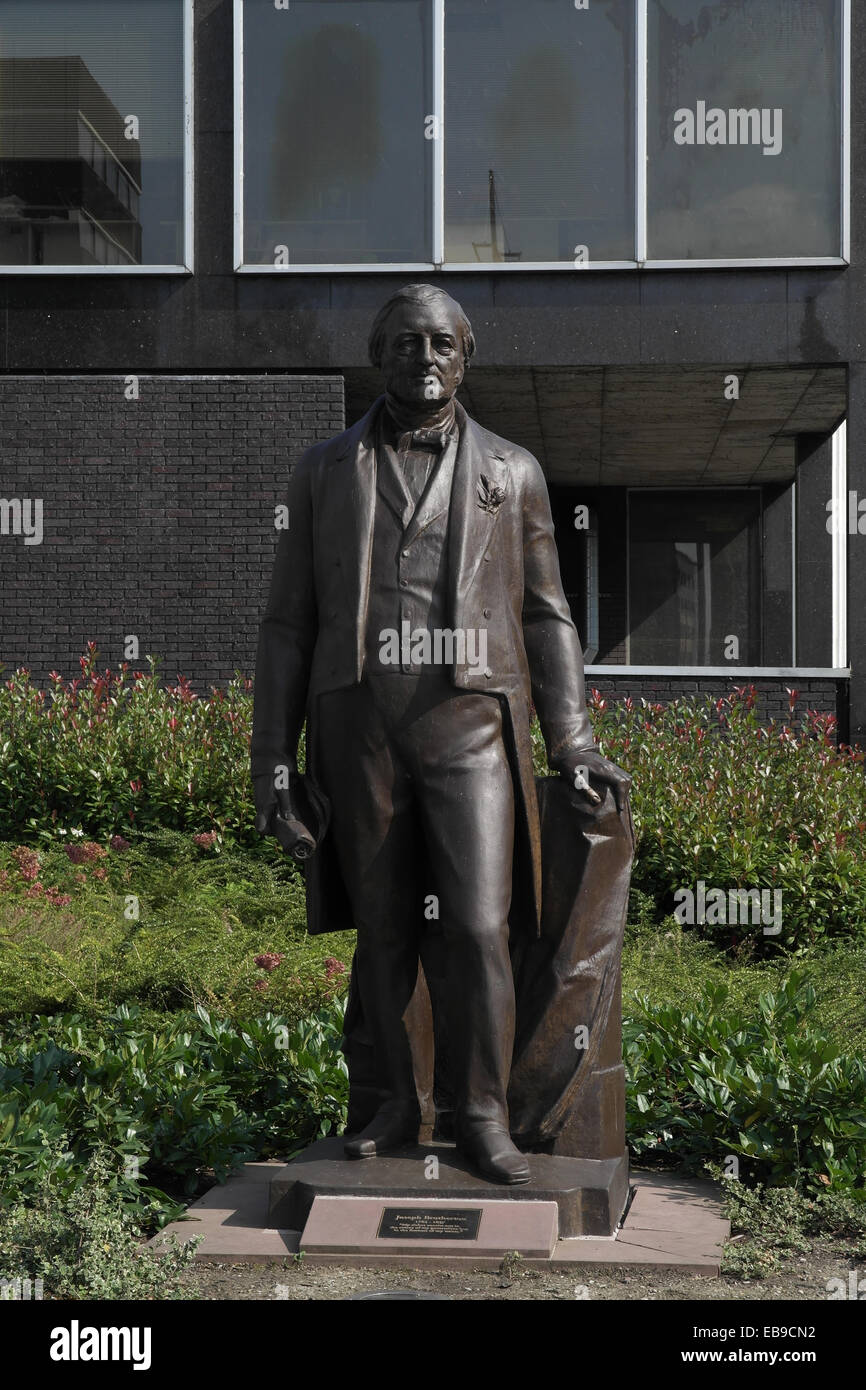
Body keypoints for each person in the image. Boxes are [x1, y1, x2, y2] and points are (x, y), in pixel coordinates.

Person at [251, 285, 630, 1184]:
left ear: (466, 357)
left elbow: (547, 617)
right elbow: (286, 626)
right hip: (360, 725)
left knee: (476, 926)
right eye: (406, 343)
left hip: (473, 725)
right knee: (382, 930)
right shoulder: (322, 472)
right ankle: (389, 1103)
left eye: (442, 345)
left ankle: (483, 1116)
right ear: (379, 355)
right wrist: (271, 758)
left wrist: (571, 737)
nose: (424, 359)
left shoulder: (515, 470)